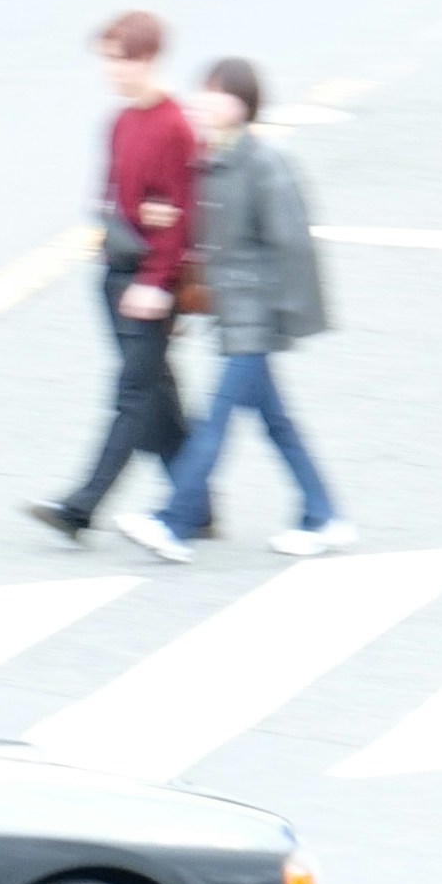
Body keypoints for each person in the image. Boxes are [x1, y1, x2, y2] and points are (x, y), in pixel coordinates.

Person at [159, 61, 345, 556]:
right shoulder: (211, 160)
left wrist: (287, 314)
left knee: (215, 420)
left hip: (254, 315)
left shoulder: (263, 163)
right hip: (233, 311)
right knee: (276, 422)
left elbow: (293, 245)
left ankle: (174, 522)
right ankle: (322, 513)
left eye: (214, 94)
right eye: (202, 91)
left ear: (240, 106)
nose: (202, 100)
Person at [28, 10, 200, 542]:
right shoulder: (120, 121)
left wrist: (155, 280)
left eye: (118, 60)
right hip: (114, 273)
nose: (110, 71)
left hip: (150, 285)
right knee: (156, 394)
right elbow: (114, 198)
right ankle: (198, 501)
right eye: (106, 60)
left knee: (132, 395)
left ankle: (83, 506)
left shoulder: (174, 127)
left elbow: (180, 215)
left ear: (147, 60)